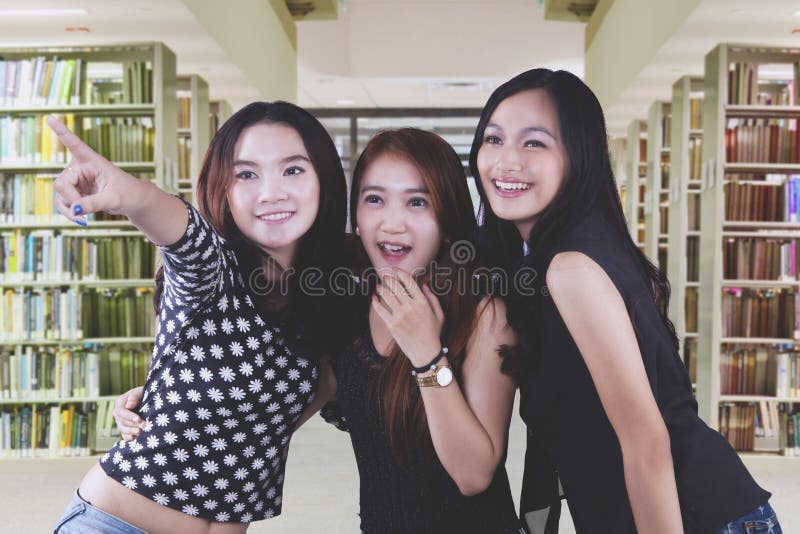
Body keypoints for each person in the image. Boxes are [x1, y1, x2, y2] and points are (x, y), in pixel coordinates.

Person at [116, 128, 525, 534]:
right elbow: (265, 409)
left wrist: (427, 356)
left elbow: (474, 476)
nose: (393, 223)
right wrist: (162, 405)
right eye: (374, 200)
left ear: (447, 215)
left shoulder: (485, 315)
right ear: (357, 218)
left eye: (417, 202)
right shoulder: (348, 302)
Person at [468, 68, 780, 534]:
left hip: (695, 517)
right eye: (493, 139)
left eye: (534, 143)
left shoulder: (570, 267)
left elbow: (647, 442)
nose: (505, 162)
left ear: (579, 156)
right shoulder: (553, 256)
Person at [51, 101, 347, 533]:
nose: (272, 192)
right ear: (223, 187)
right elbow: (182, 231)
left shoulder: (327, 299)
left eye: (293, 170)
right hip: (114, 523)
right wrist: (131, 194)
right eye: (247, 174)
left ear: (324, 177)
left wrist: (164, 394)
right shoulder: (212, 269)